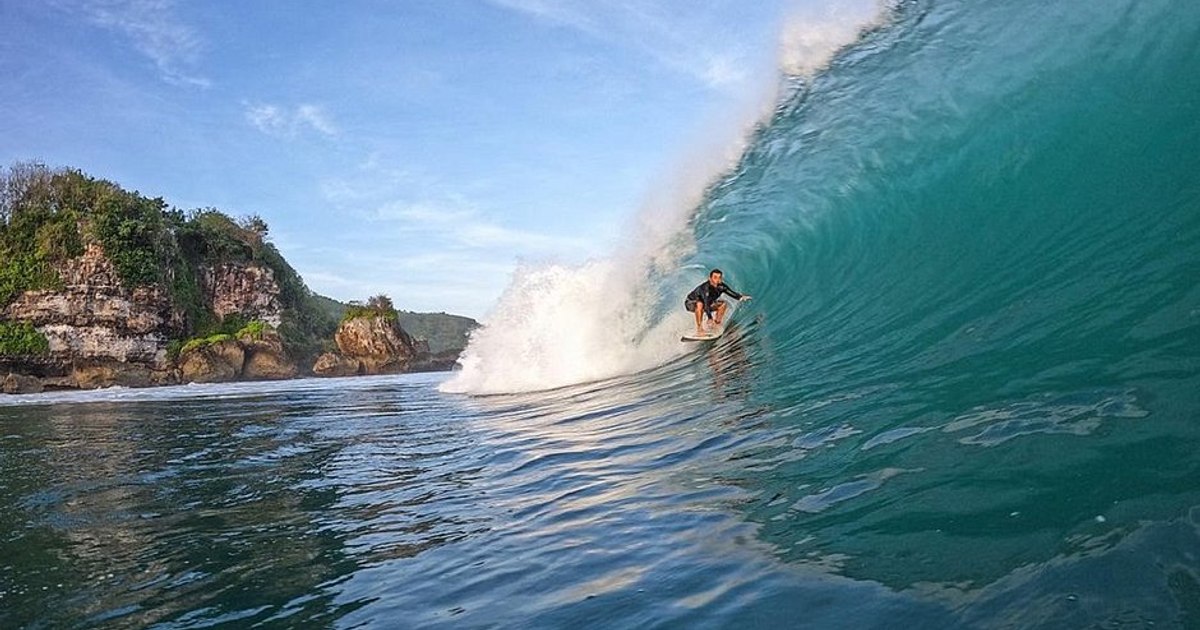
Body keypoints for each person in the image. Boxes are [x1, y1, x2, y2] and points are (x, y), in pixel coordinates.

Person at [685, 268, 751, 335]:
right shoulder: (705, 288)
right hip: (691, 303)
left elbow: (731, 293)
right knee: (700, 304)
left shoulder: (721, 287)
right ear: (710, 278)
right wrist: (710, 318)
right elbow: (706, 303)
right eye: (715, 277)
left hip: (706, 304)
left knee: (723, 304)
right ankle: (699, 329)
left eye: (719, 278)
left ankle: (716, 325)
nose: (717, 280)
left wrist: (741, 297)